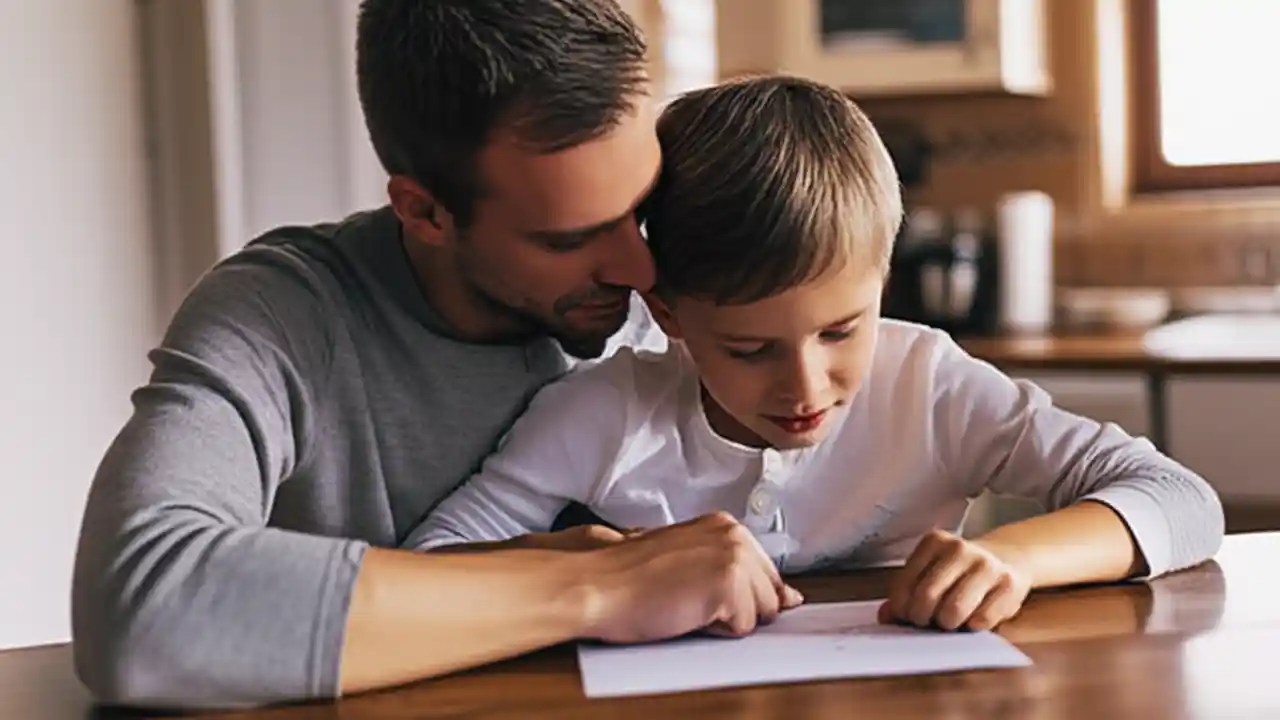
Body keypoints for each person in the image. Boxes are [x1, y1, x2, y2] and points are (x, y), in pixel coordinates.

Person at [71, 1, 802, 709]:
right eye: (570, 239)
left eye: (638, 209)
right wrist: (601, 587)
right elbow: (139, 608)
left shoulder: (674, 286)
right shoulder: (280, 315)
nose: (641, 272)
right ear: (424, 211)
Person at [412, 75, 1225, 634]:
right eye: (749, 348)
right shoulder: (606, 412)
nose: (805, 386)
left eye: (840, 331)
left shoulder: (929, 385)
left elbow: (1182, 499)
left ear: (882, 285)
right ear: (668, 315)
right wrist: (610, 573)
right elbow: (427, 569)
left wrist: (1012, 558)